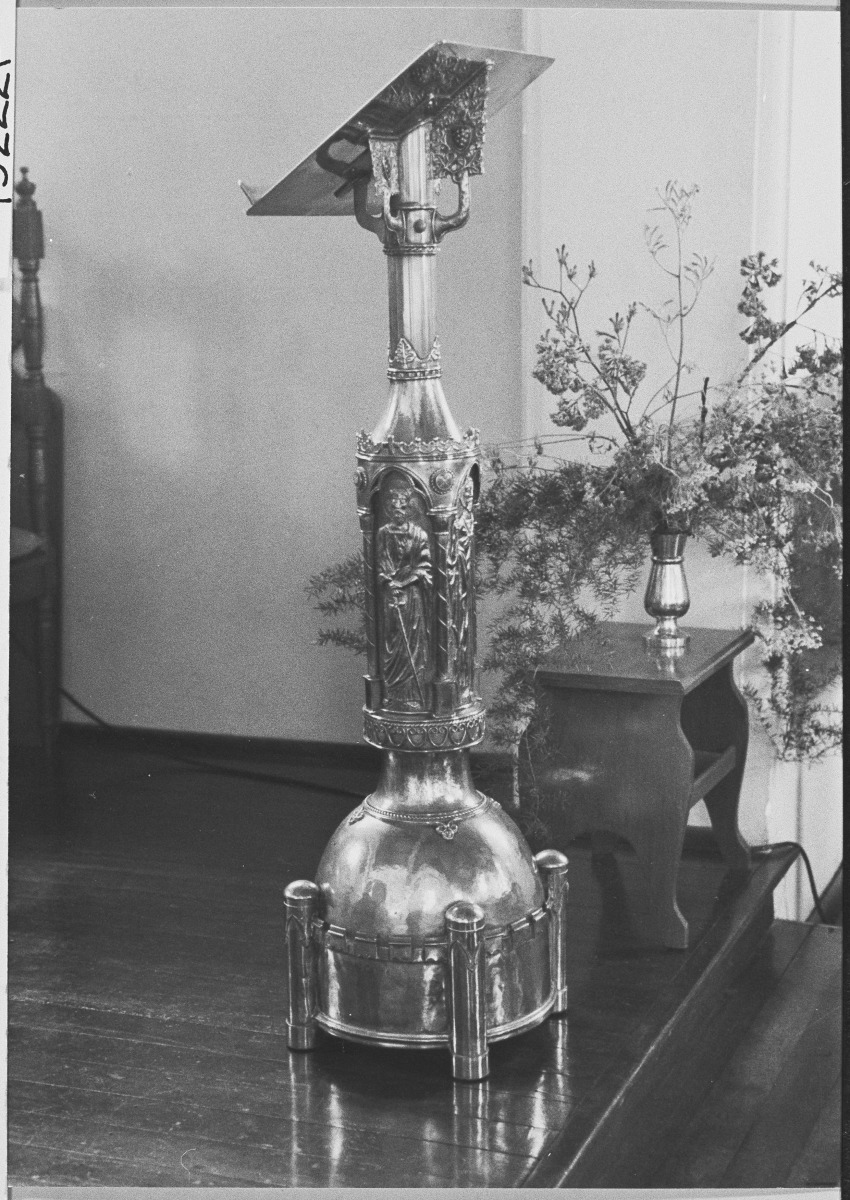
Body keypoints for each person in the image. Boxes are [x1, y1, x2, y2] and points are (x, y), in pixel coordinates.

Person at [376, 480, 432, 710]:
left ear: (409, 509)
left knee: (414, 643)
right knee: (393, 643)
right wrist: (389, 581)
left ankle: (414, 696)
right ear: (389, 509)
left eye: (403, 507)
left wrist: (406, 581)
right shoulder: (381, 533)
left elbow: (425, 567)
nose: (398, 511)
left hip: (412, 597)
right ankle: (394, 695)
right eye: (394, 507)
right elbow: (377, 565)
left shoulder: (419, 534)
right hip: (391, 595)